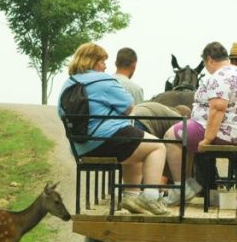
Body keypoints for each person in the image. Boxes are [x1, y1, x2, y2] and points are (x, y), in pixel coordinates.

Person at [58, 43, 168, 215]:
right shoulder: (103, 81)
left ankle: (131, 196)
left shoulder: (68, 84)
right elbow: (129, 106)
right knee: (157, 147)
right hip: (106, 139)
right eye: (102, 61)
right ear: (93, 62)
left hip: (81, 149)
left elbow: (61, 113)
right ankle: (151, 197)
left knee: (137, 148)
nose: (105, 66)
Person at [163, 41, 237, 204]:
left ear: (209, 60)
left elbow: (218, 108)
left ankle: (182, 187)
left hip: (226, 130)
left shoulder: (220, 76)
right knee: (189, 136)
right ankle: (196, 188)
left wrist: (207, 139)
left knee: (171, 135)